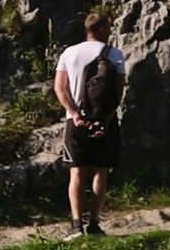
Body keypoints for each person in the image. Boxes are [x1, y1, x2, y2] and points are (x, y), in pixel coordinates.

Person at [49, 18, 132, 232]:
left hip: (76, 122)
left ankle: (77, 226)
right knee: (99, 172)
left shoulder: (69, 53)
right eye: (109, 27)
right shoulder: (114, 55)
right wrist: (104, 120)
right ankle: (94, 224)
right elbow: (117, 92)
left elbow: (59, 88)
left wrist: (75, 114)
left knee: (76, 173)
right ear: (102, 29)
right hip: (104, 120)